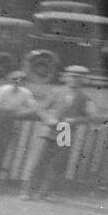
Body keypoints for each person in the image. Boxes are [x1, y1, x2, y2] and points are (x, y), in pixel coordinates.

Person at [20, 65, 96, 200]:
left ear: (83, 80)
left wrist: (75, 120)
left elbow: (89, 117)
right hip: (48, 129)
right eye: (71, 76)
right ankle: (26, 191)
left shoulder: (84, 97)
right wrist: (48, 118)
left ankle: (44, 193)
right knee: (38, 161)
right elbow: (40, 108)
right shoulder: (55, 91)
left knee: (56, 164)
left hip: (65, 131)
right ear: (66, 77)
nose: (74, 80)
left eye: (78, 78)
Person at [0, 70, 36, 180]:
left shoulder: (25, 92)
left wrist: (22, 112)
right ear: (9, 80)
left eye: (21, 80)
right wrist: (11, 111)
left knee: (4, 147)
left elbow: (34, 107)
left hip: (9, 123)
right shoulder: (3, 90)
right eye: (15, 79)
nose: (18, 82)